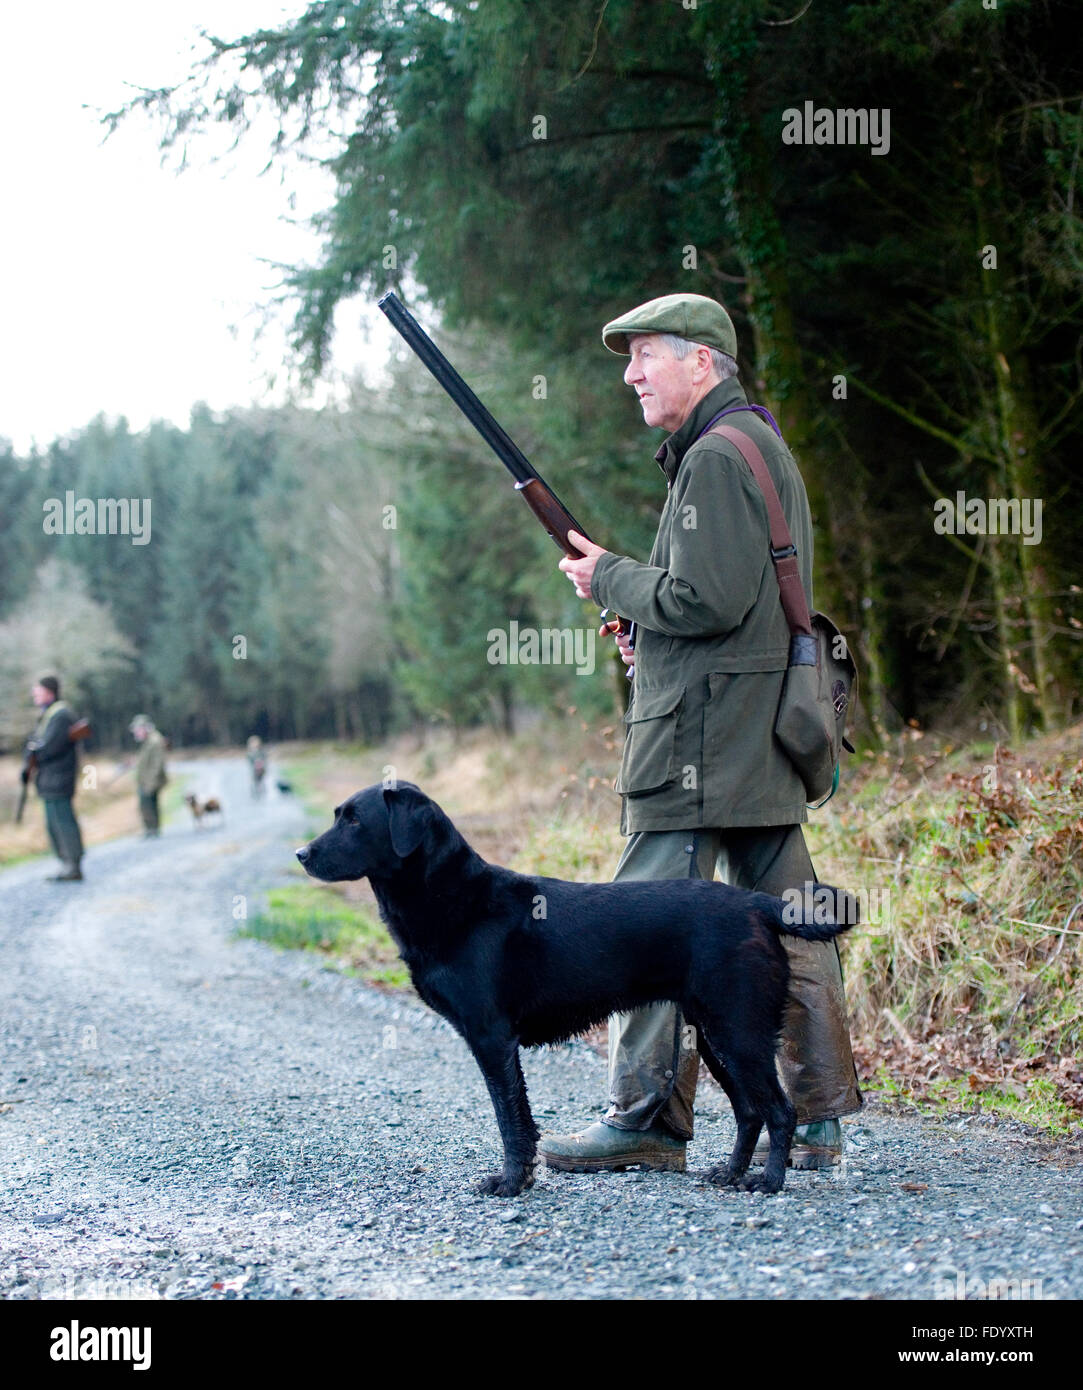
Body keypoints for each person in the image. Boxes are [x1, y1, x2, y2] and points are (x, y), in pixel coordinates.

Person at [546, 292, 861, 1174]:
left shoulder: (717, 458)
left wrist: (610, 577)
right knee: (793, 920)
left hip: (696, 745)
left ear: (701, 361)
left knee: (642, 925)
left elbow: (704, 599)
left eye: (646, 354)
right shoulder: (753, 442)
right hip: (747, 736)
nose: (630, 373)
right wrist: (646, 623)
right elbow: (733, 606)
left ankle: (645, 1115)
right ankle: (817, 1119)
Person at [22, 675, 84, 882]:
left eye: (37, 692)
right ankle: (66, 864)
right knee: (54, 824)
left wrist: (33, 755)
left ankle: (73, 864)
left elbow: (50, 747)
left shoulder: (60, 715)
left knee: (63, 822)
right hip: (50, 779)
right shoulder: (50, 715)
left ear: (49, 692)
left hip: (58, 778)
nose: (34, 696)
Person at [130, 715, 168, 837]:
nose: (136, 732)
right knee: (149, 804)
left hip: (150, 780)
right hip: (146, 780)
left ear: (145, 728)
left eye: (138, 729)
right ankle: (152, 829)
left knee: (146, 804)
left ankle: (151, 829)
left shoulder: (154, 741)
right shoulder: (149, 741)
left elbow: (158, 764)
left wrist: (151, 782)